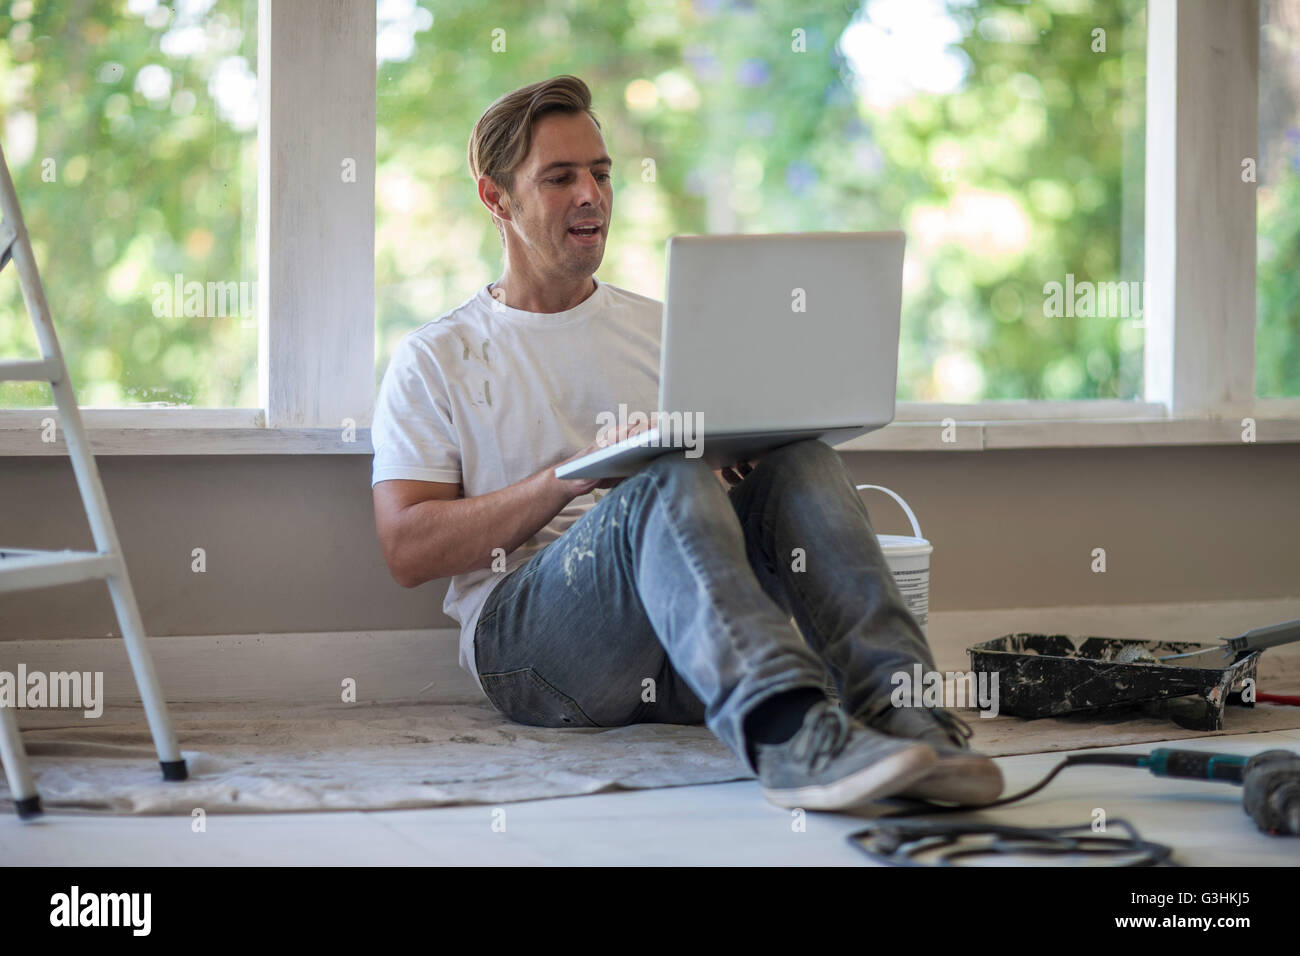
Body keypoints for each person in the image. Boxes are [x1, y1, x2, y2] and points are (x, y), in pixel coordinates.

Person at [371, 74, 1002, 811]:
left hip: (684, 645)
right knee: (659, 485)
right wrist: (578, 475)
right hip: (531, 653)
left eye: (601, 174)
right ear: (495, 199)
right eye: (560, 177)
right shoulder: (435, 356)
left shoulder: (664, 331)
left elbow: (707, 510)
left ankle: (907, 714)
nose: (591, 195)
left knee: (802, 460)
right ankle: (791, 740)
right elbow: (407, 549)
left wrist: (743, 464)